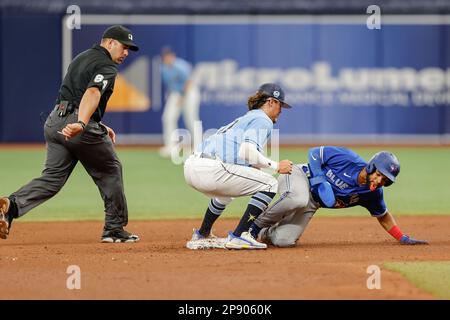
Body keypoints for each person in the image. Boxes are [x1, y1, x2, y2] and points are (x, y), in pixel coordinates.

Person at [0, 25, 140, 243]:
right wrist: (83, 123)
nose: (126, 53)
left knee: (52, 179)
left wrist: (97, 124)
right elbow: (92, 92)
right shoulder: (107, 66)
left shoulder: (81, 57)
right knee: (111, 169)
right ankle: (114, 229)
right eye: (124, 47)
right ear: (110, 42)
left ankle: (11, 206)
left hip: (55, 120)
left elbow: (73, 94)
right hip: (76, 124)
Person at [243, 146, 428, 248]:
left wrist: (402, 237)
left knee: (284, 241)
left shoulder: (372, 194)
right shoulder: (349, 158)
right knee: (297, 198)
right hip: (299, 175)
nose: (380, 181)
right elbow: (314, 153)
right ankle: (252, 227)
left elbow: (383, 216)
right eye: (379, 174)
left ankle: (263, 233)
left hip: (313, 202)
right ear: (372, 166)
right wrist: (319, 179)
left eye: (385, 180)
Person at [184, 83, 294, 250]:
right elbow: (247, 151)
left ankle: (202, 233)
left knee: (227, 193)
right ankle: (241, 235)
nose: (281, 110)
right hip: (212, 169)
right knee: (270, 183)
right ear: (271, 102)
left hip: (192, 166)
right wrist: (276, 165)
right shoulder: (262, 120)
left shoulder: (248, 117)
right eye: (280, 104)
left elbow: (245, 156)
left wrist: (257, 167)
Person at [159, 47, 201, 158]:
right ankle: (170, 147)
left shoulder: (181, 66)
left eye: (169, 56)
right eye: (165, 57)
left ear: (173, 56)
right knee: (167, 118)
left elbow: (189, 82)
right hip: (176, 93)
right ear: (163, 58)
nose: (168, 58)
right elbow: (170, 85)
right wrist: (176, 97)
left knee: (191, 119)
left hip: (190, 92)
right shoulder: (163, 68)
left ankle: (199, 148)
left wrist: (182, 97)